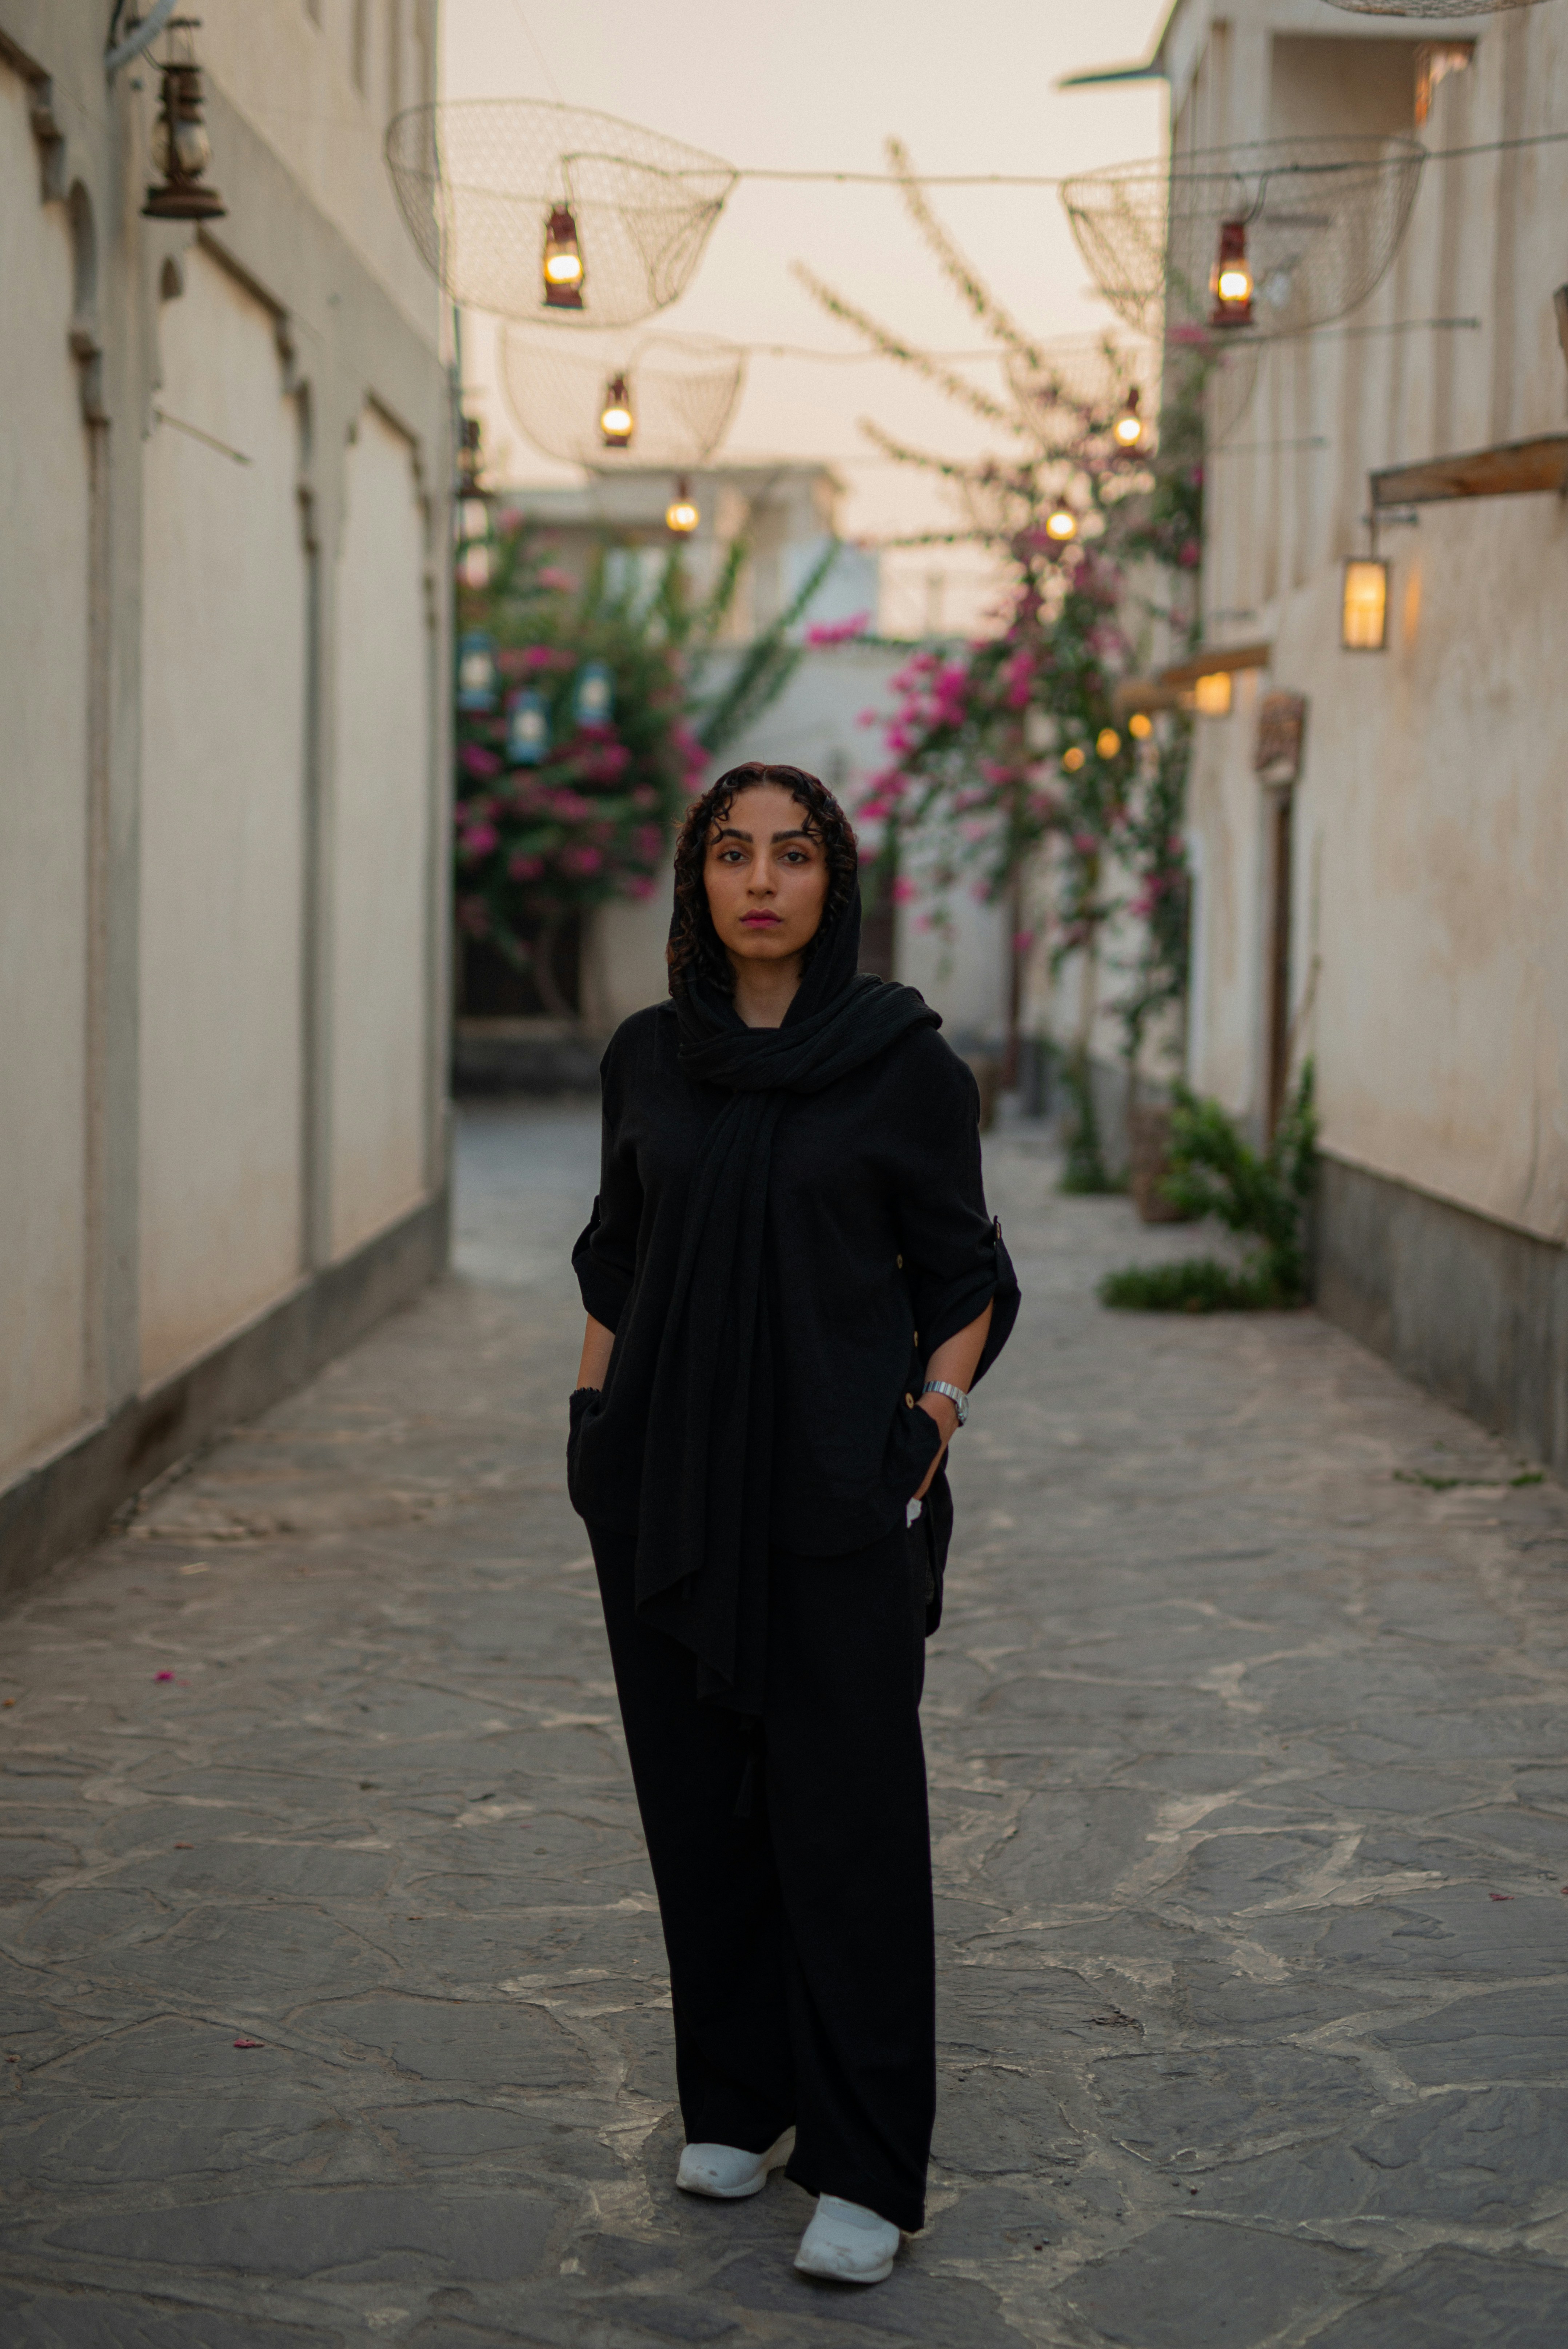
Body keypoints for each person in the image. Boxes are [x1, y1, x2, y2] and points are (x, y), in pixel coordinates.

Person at [567, 761, 1018, 2286]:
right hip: (664, 1489)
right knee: (698, 1807)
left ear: (836, 881)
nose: (762, 878)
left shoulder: (902, 1067)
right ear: (697, 879)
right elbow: (615, 1264)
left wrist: (926, 1435)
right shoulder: (646, 1058)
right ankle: (738, 2099)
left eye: (796, 853)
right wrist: (590, 1434)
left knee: (850, 1822)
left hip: (836, 1494)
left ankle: (865, 2165)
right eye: (732, 852)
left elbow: (967, 1281)